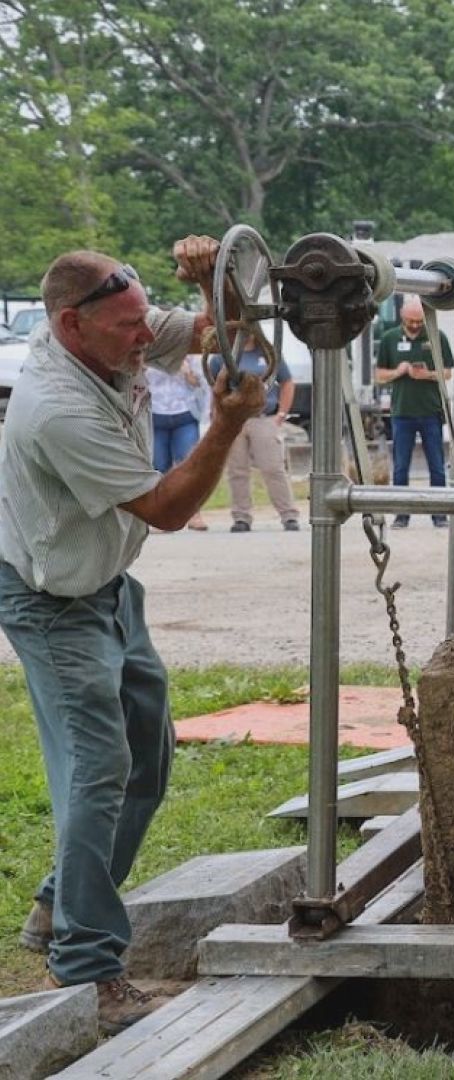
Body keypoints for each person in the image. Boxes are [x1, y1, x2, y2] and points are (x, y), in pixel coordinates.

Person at [0, 241, 266, 1032]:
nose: (145, 338)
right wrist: (223, 425)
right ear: (70, 327)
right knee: (98, 764)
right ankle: (87, 962)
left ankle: (60, 902)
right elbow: (168, 510)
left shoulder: (121, 326)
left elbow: (229, 337)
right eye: (127, 329)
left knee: (147, 753)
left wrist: (219, 281)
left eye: (144, 318)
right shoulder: (55, 407)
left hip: (108, 587)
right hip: (52, 603)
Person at [208, 331, 299, 532]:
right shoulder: (222, 357)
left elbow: (287, 382)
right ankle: (241, 516)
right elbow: (215, 388)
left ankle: (288, 514)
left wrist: (282, 413)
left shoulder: (268, 354)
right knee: (237, 469)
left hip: (263, 417)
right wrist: (216, 414)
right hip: (234, 419)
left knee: (273, 467)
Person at [374, 297, 453, 528]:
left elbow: (447, 372)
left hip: (430, 411)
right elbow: (379, 375)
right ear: (402, 317)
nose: (416, 325)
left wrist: (427, 375)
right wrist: (398, 372)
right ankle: (401, 514)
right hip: (402, 412)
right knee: (400, 466)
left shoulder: (437, 337)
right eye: (411, 321)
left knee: (437, 466)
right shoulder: (389, 338)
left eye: (419, 321)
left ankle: (439, 513)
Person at [147, 362, 210, 531]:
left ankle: (194, 514)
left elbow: (202, 383)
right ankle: (162, 516)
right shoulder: (147, 354)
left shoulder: (187, 355)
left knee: (188, 463)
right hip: (155, 414)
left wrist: (187, 371)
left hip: (185, 414)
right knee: (159, 466)